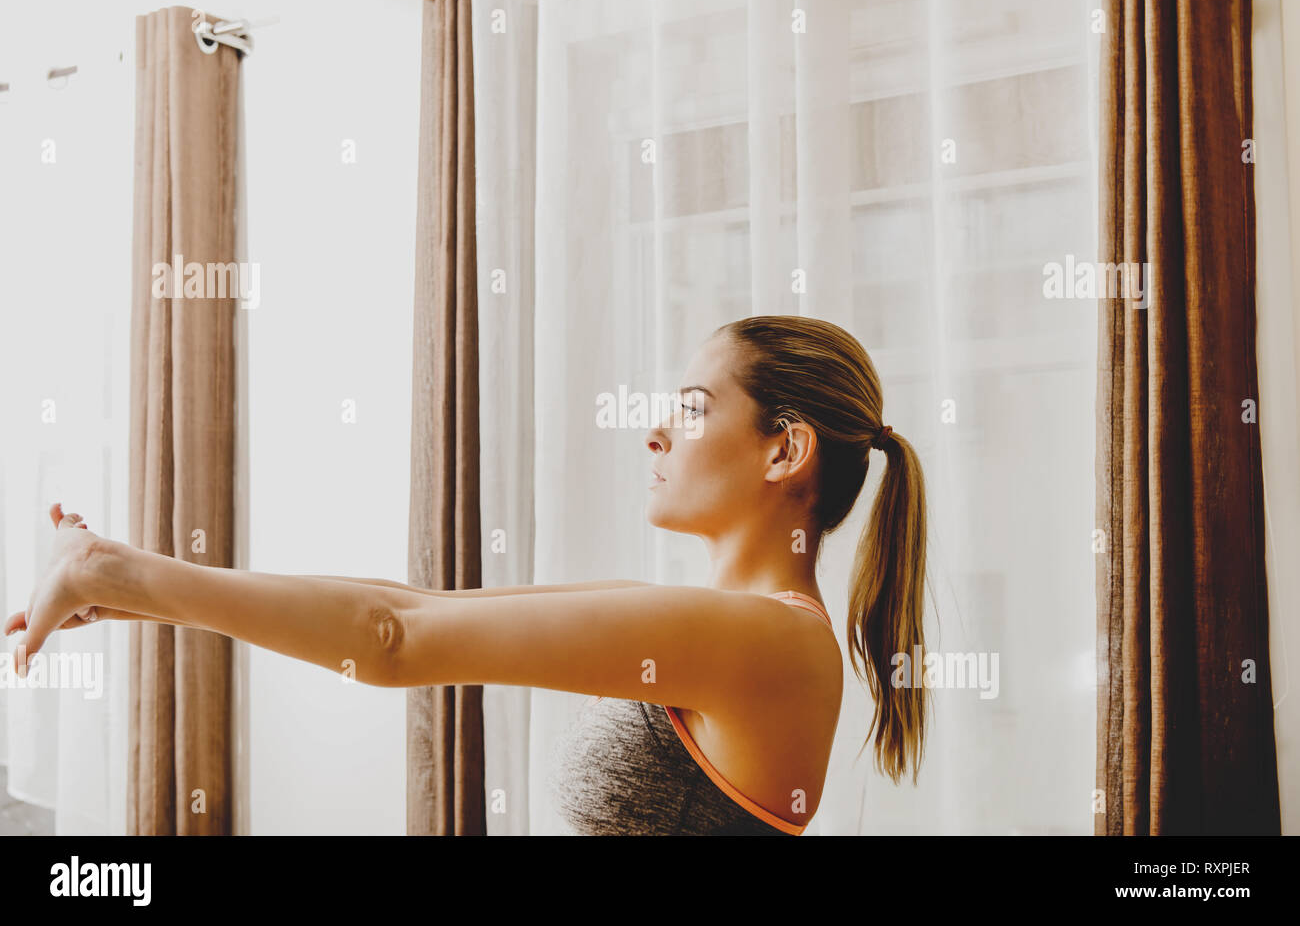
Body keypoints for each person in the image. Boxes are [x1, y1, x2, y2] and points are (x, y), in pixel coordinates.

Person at [7, 314, 929, 835]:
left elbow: (394, 641)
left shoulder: (765, 639)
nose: (655, 430)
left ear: (786, 451)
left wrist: (124, 574)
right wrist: (126, 582)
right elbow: (412, 608)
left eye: (691, 409)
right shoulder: (712, 627)